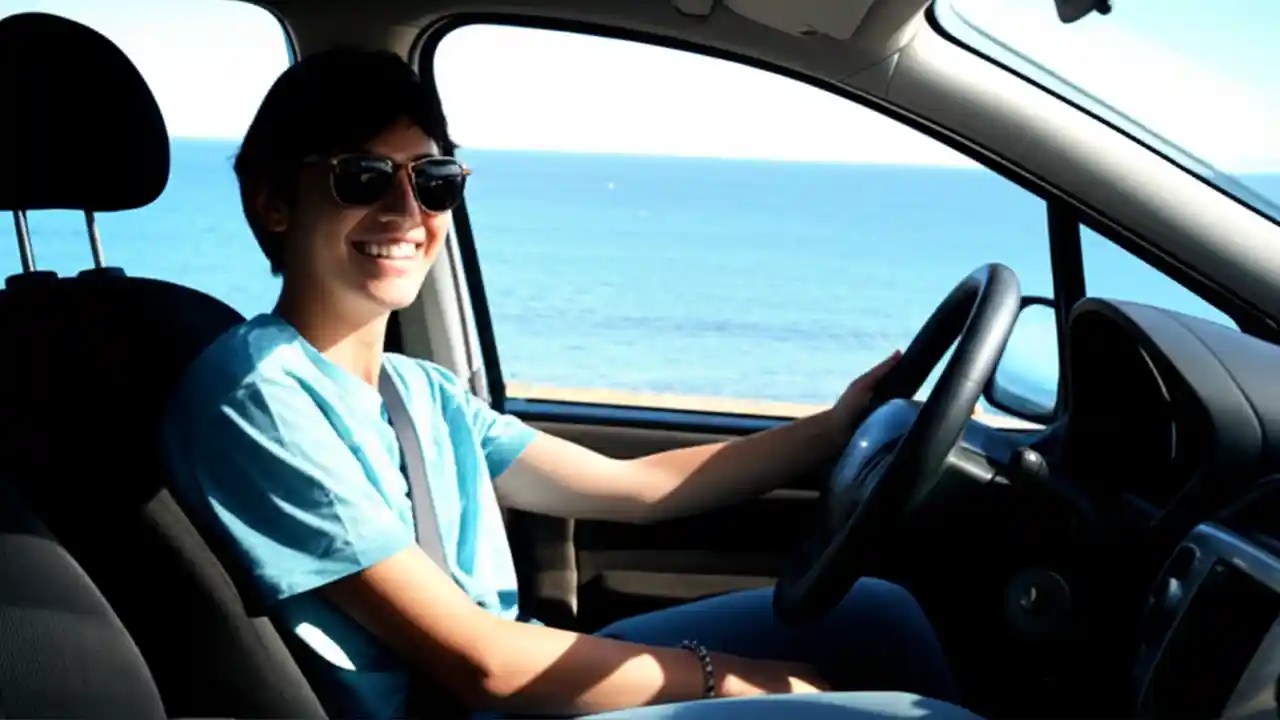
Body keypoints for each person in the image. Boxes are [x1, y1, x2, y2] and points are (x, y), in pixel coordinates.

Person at [160, 47, 959, 720]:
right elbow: (485, 665)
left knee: (878, 615)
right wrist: (740, 680)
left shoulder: (418, 392)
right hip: (470, 702)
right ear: (273, 203)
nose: (408, 209)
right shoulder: (258, 393)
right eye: (364, 177)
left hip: (503, 678)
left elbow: (635, 486)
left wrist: (834, 427)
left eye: (433, 178)